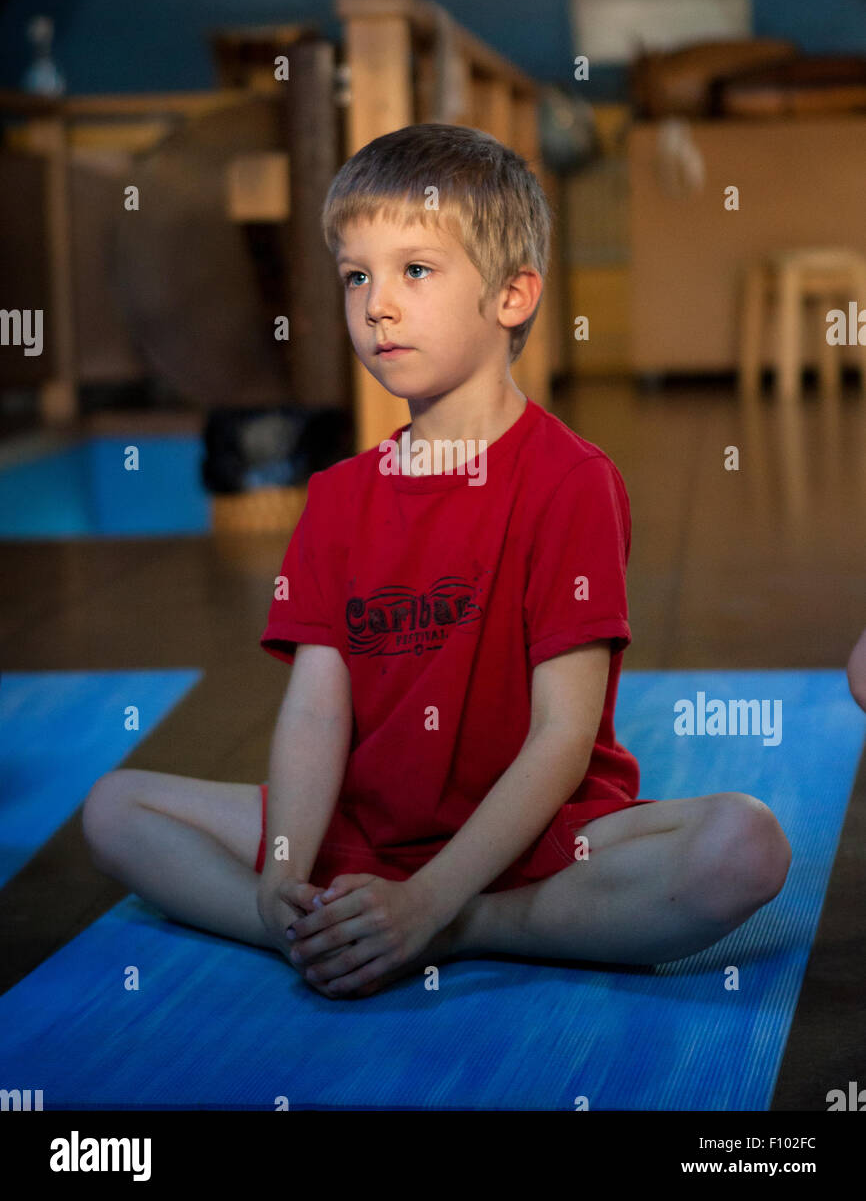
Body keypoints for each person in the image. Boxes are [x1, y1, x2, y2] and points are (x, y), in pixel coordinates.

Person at [82, 123, 792, 999]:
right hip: (365, 827)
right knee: (115, 811)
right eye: (356, 275)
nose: (376, 303)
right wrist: (279, 876)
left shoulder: (572, 483)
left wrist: (431, 903)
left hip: (537, 841)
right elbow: (313, 716)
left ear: (514, 296)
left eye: (414, 271)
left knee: (744, 845)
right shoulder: (339, 497)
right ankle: (317, 927)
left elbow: (562, 737)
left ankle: (460, 928)